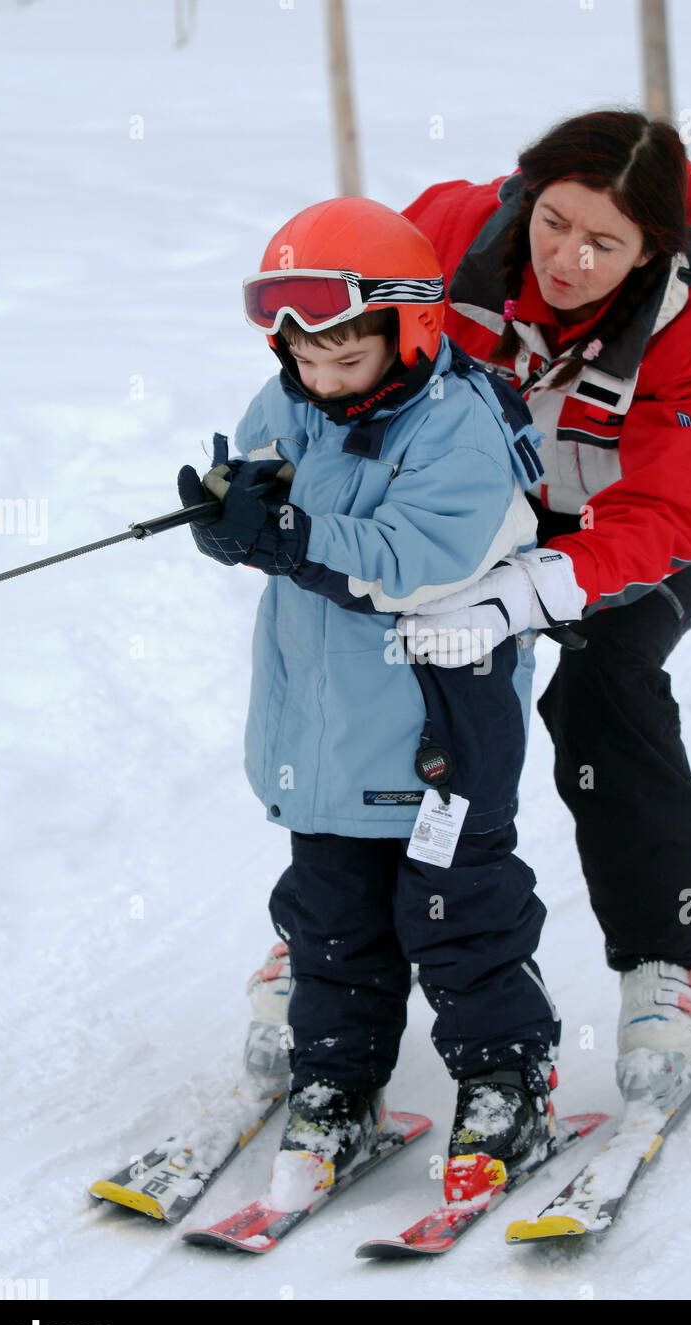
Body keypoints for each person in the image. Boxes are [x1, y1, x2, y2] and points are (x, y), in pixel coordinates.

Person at [176, 197, 565, 1181]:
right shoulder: (292, 398)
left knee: (455, 911)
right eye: (302, 358)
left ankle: (505, 1079)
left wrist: (291, 539)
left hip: (439, 714)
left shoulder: (458, 425)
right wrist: (233, 513)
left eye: (346, 361)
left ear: (412, 326)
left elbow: (415, 562)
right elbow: (263, 480)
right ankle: (337, 1085)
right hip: (328, 722)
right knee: (331, 919)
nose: (321, 380)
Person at [396, 110, 691, 1102]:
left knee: (604, 678)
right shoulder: (450, 229)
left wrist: (528, 591)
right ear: (527, 191)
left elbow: (661, 510)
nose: (566, 258)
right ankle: (340, 933)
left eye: (603, 244)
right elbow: (345, 349)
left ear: (655, 247)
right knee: (409, 663)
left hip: (670, 503)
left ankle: (672, 962)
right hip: (506, 487)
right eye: (554, 221)